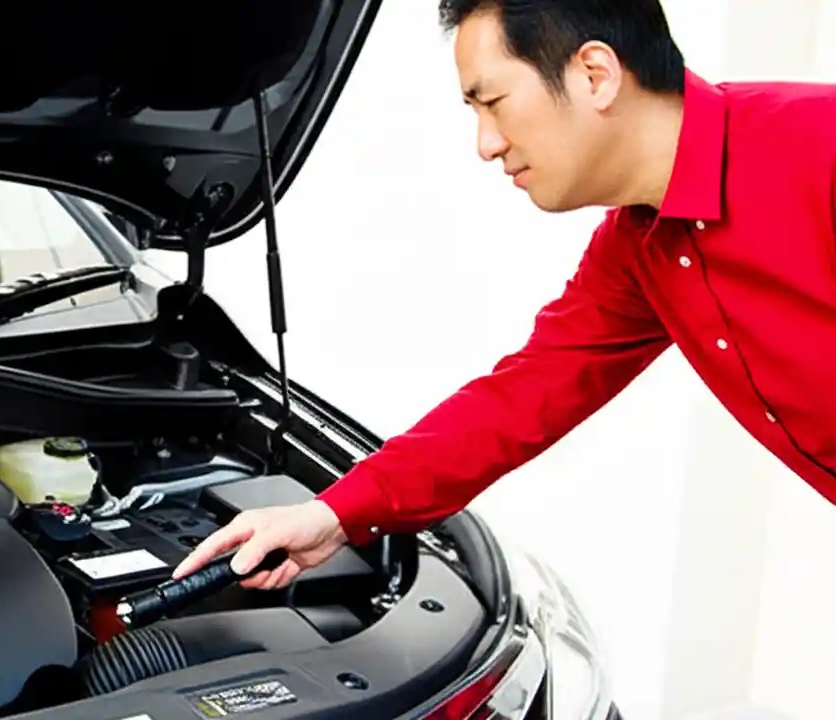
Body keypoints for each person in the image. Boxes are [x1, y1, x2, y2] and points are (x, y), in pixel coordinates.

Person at [173, 0, 836, 590]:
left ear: (595, 74)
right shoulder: (640, 248)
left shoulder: (819, 148)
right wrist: (335, 514)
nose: (487, 145)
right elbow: (522, 399)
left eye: (492, 103)